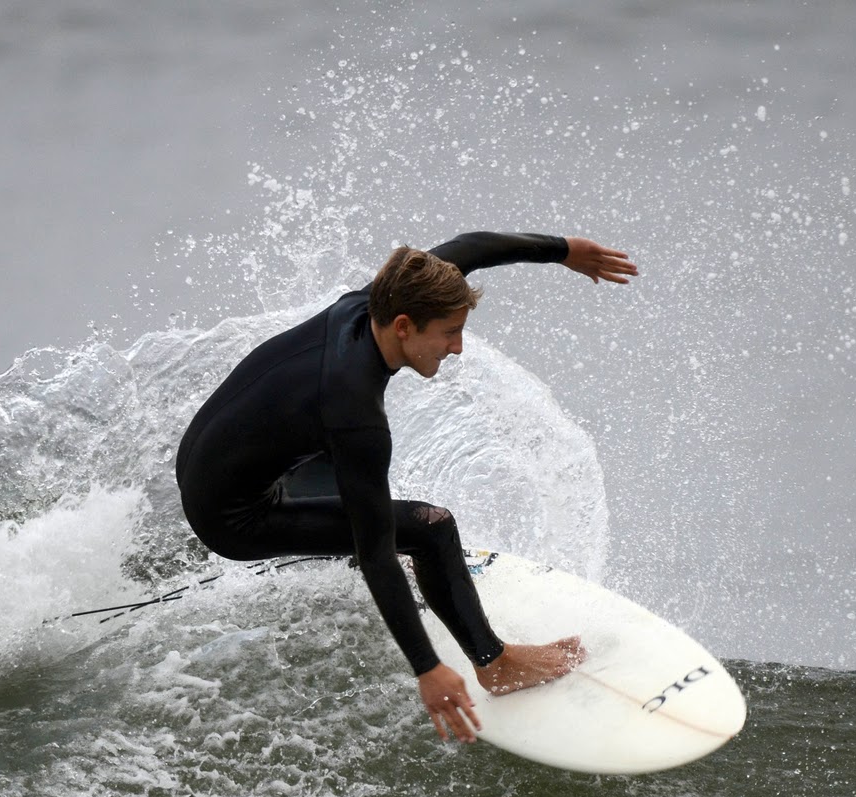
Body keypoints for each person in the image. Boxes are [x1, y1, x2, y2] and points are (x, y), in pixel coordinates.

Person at [176, 231, 637, 743]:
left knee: (356, 484)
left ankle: (410, 585)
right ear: (404, 327)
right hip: (233, 518)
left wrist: (564, 250)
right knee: (430, 529)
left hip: (207, 460)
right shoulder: (354, 414)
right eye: (450, 333)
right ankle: (496, 662)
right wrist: (427, 667)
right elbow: (378, 552)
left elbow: (473, 246)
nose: (457, 348)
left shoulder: (381, 296)